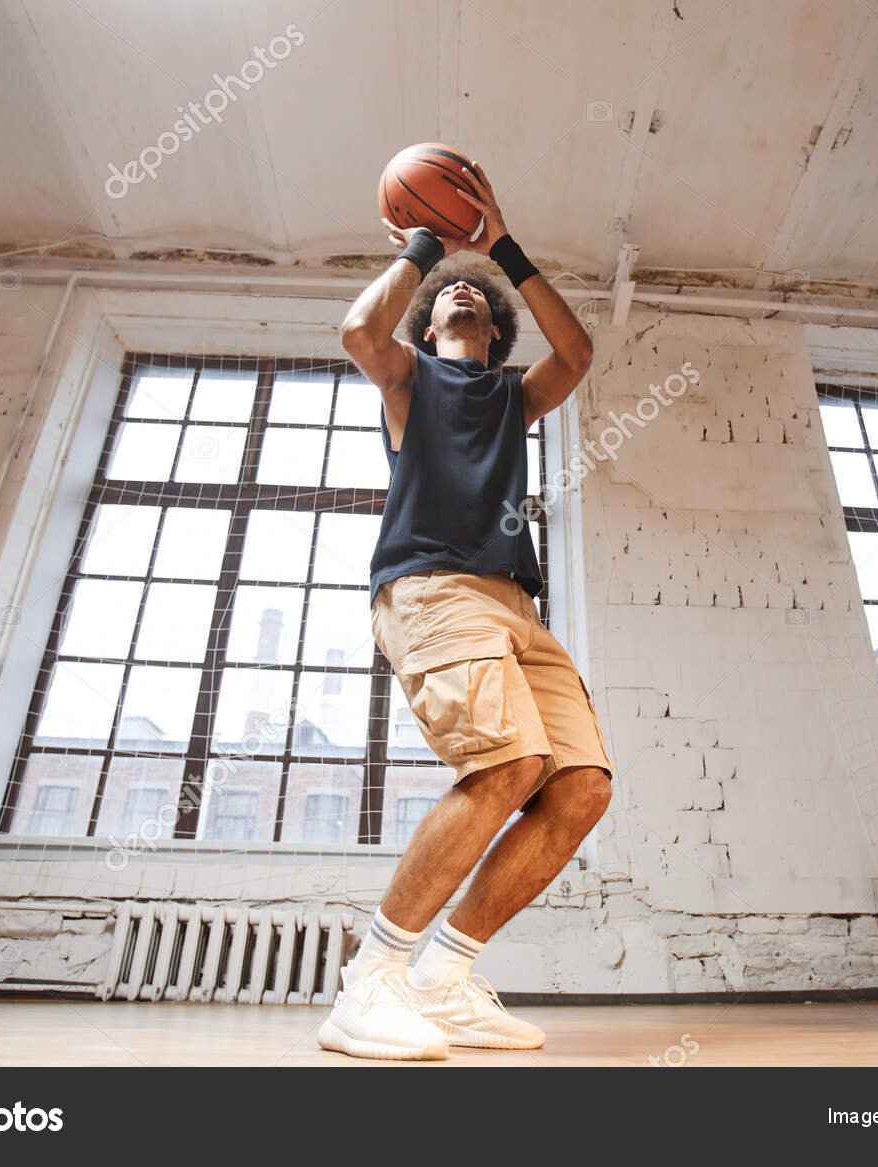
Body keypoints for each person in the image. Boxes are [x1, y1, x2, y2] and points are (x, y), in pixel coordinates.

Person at [317, 161, 613, 1060]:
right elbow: (358, 329)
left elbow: (578, 355)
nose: (464, 293)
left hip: (517, 605)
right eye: (450, 292)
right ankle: (368, 983)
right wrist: (429, 244)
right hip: (434, 588)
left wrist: (501, 250)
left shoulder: (514, 396)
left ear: (494, 326)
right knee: (510, 761)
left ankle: (443, 978)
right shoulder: (408, 379)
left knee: (580, 786)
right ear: (428, 320)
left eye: (478, 294)